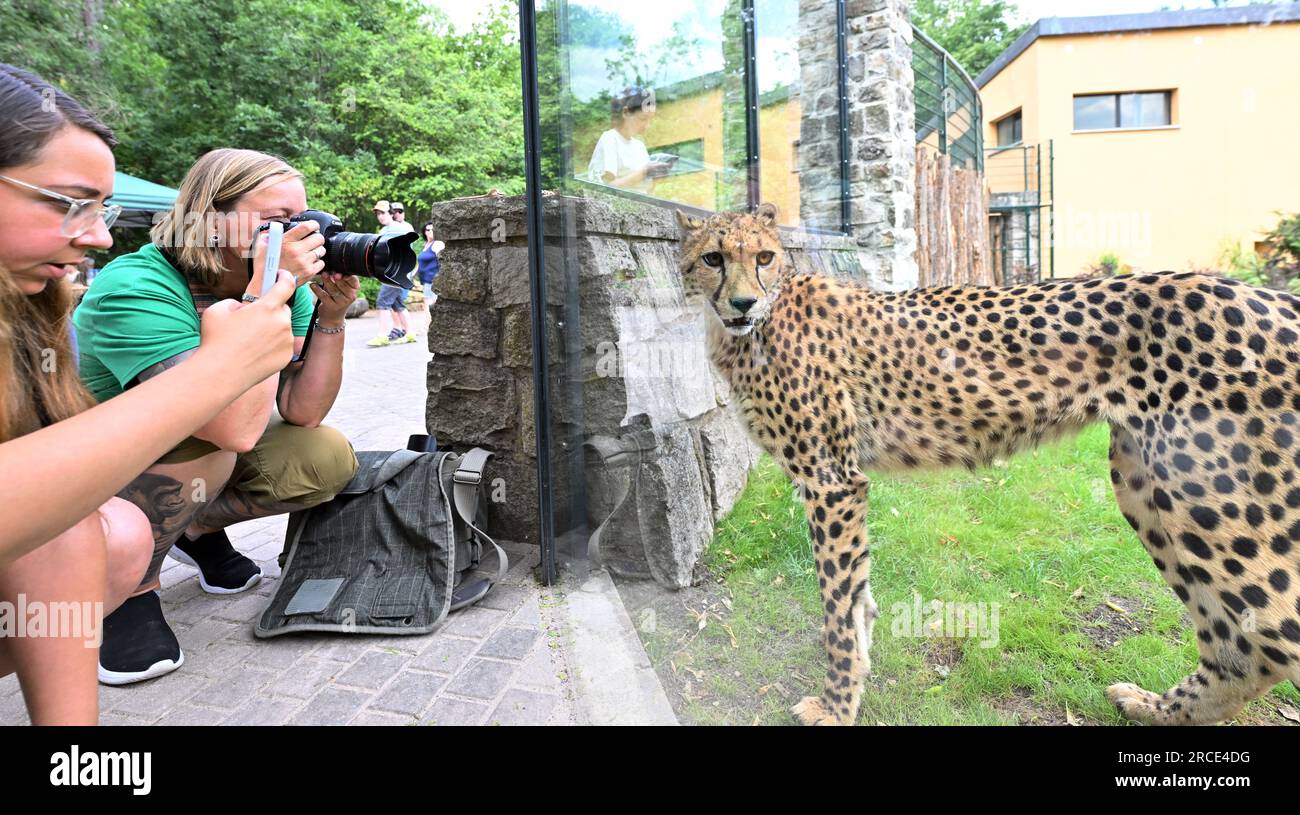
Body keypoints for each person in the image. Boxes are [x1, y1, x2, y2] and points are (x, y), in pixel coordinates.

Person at [0, 64, 299, 724]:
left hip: (92, 508)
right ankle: (144, 585)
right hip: (147, 461)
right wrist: (219, 369)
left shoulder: (29, 303)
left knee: (96, 532)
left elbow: (57, 525)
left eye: (101, 207)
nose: (99, 236)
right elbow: (233, 427)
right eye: (69, 202)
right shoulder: (138, 279)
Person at [74, 148, 360, 684]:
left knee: (322, 457)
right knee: (208, 442)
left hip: (200, 449)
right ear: (209, 216)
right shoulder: (137, 285)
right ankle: (125, 587)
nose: (300, 233)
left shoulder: (279, 285)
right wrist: (266, 293)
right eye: (277, 221)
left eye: (300, 217)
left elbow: (301, 410)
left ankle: (191, 528)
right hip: (88, 465)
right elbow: (229, 425)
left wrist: (331, 316)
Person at [587, 86, 669, 193]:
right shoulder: (610, 139)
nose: (647, 125)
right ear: (626, 112)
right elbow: (606, 189)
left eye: (650, 119)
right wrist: (644, 172)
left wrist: (655, 177)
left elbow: (645, 191)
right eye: (643, 118)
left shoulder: (640, 146)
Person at [367, 200, 416, 347]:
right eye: (377, 214)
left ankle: (382, 336)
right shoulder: (385, 231)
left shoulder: (397, 230)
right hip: (395, 274)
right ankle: (410, 333)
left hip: (394, 275)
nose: (380, 217)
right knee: (397, 304)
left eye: (383, 213)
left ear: (391, 213)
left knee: (383, 302)